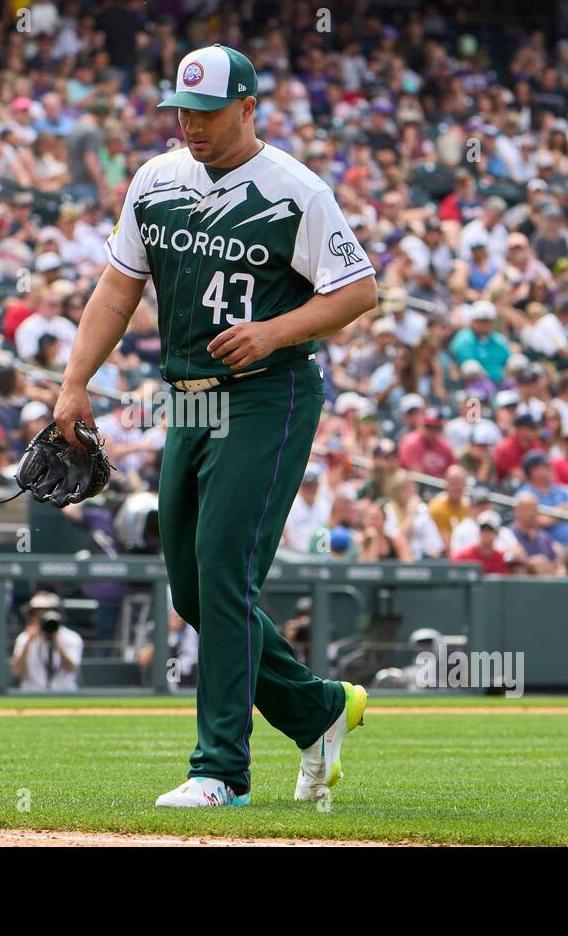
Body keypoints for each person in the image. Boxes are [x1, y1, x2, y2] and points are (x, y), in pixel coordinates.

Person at [54, 45, 377, 808]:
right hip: (189, 397)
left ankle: (220, 771)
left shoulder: (297, 189)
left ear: (247, 108)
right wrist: (73, 383)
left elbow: (358, 290)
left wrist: (275, 331)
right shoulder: (156, 178)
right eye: (182, 112)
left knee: (225, 574)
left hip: (268, 393)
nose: (191, 125)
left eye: (205, 112)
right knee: (195, 591)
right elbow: (117, 286)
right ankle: (317, 707)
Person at [9, 591, 84, 692]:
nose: (42, 618)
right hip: (32, 695)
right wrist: (29, 641)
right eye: (38, 614)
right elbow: (16, 672)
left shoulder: (71, 637)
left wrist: (56, 640)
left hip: (64, 695)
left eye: (47, 613)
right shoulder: (24, 638)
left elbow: (71, 668)